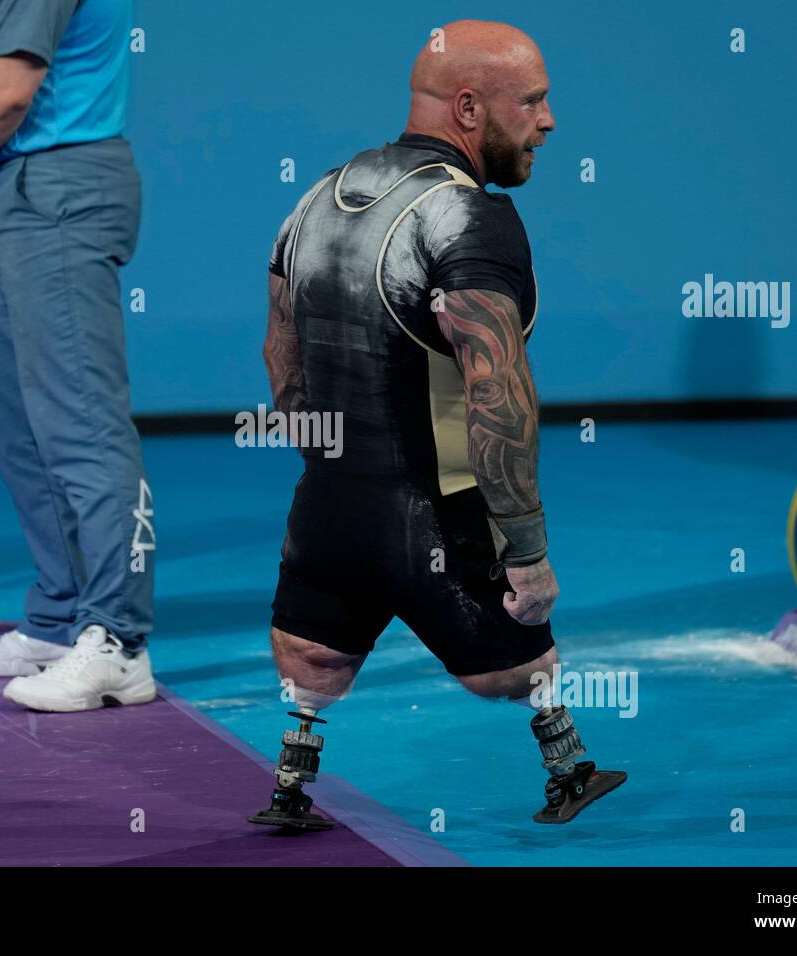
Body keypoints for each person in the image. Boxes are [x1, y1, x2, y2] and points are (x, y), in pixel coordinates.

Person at [249, 20, 626, 827]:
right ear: (467, 107)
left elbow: (282, 359)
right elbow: (499, 394)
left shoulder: (316, 196)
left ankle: (290, 788)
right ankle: (567, 772)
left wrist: (327, 472)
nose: (549, 121)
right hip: (436, 520)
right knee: (516, 670)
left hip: (325, 514)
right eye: (532, 102)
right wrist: (525, 551)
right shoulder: (466, 217)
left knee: (313, 658)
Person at [0, 0, 155, 712]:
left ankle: (119, 641)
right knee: (13, 420)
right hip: (6, 188)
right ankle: (61, 616)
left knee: (81, 422)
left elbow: (9, 86)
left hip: (60, 186)